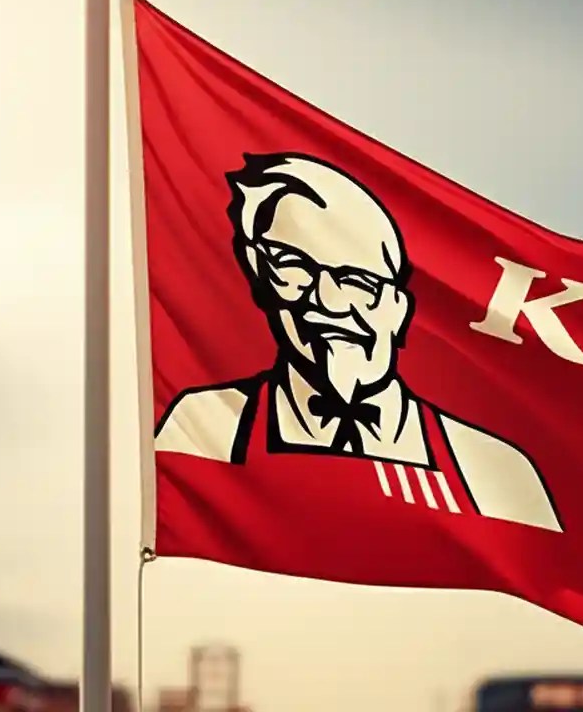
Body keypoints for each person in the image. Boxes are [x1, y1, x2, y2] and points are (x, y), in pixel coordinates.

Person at [155, 152, 561, 533]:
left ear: (399, 309)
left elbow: (543, 599)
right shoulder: (210, 426)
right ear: (263, 284)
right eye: (295, 270)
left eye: (358, 282)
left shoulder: (491, 472)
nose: (329, 302)